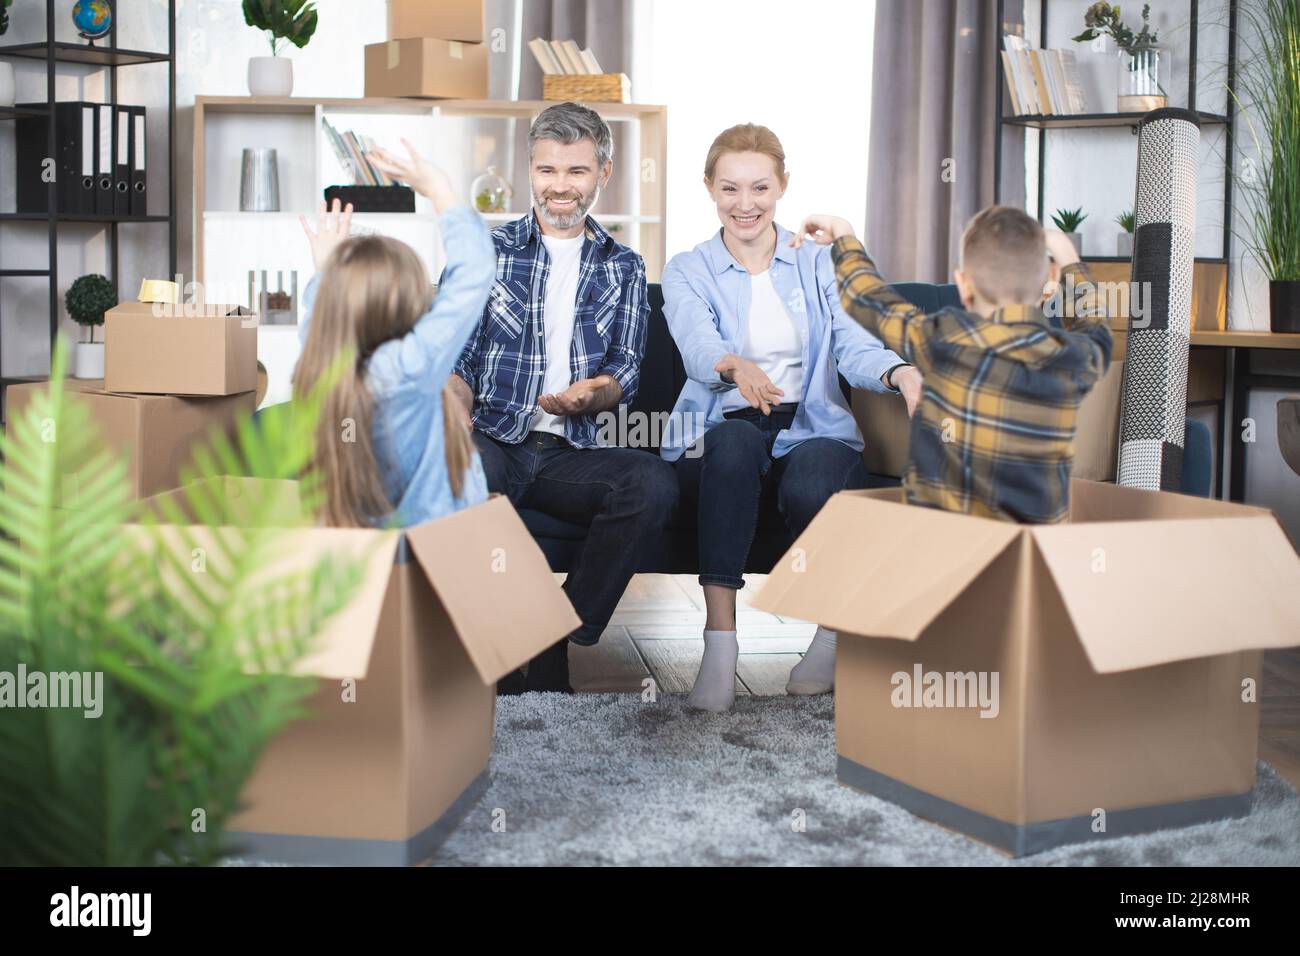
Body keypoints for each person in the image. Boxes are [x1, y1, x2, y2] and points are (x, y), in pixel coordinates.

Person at [661, 124, 922, 712]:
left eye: (759, 187)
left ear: (782, 186)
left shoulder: (818, 263)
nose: (744, 204)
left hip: (811, 426)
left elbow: (855, 347)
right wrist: (733, 366)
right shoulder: (688, 269)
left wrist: (900, 372)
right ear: (708, 188)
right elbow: (695, 343)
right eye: (729, 188)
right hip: (720, 427)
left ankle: (830, 634)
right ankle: (721, 648)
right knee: (731, 446)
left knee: (816, 479)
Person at [448, 102, 678, 693]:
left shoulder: (623, 266)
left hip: (570, 453)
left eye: (576, 171)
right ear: (530, 170)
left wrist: (592, 395)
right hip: (494, 435)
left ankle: (553, 635)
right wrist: (453, 411)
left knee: (652, 484)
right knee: (465, 471)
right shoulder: (487, 252)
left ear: (603, 173)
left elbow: (624, 369)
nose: (560, 187)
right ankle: (499, 646)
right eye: (547, 170)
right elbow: (458, 358)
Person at [795, 205, 1111, 523]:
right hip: (1033, 543)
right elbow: (1094, 326)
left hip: (950, 537)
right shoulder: (1072, 357)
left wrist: (845, 234)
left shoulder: (942, 339)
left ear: (963, 283)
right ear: (1051, 282)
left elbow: (868, 300)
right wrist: (1070, 260)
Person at [294, 144, 496, 528]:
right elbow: (474, 273)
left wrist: (327, 271)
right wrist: (440, 190)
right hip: (432, 557)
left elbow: (322, 319)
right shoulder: (407, 366)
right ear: (408, 303)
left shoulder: (320, 361)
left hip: (361, 559)